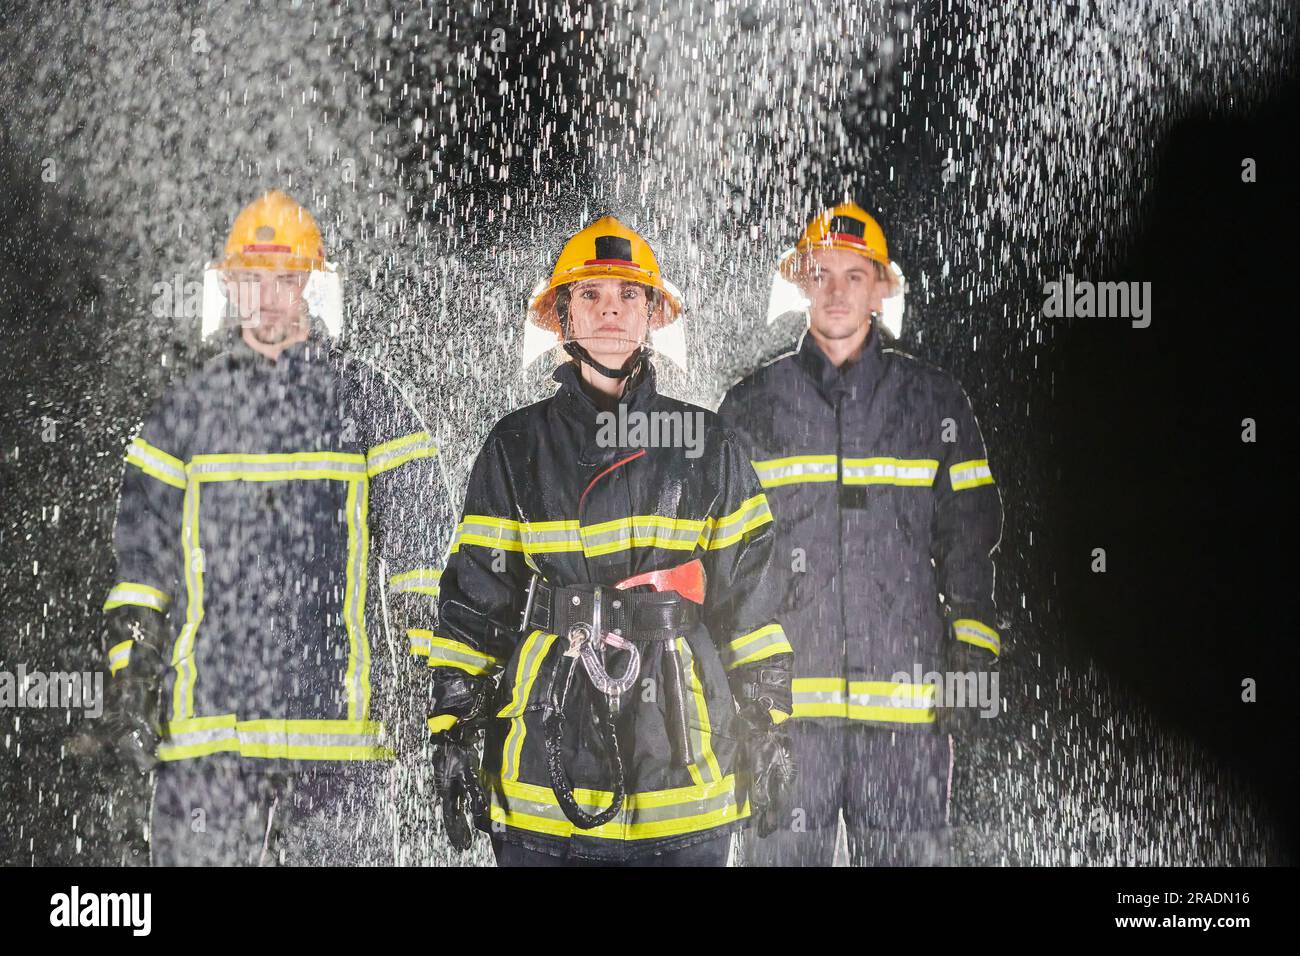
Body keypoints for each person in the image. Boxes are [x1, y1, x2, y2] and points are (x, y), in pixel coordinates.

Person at [79, 190, 453, 865]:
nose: (269, 298)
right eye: (253, 280)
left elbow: (422, 562)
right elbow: (140, 572)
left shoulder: (370, 403)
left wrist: (431, 680)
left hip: (337, 744)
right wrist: (126, 685)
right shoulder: (183, 415)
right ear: (228, 285)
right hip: (208, 742)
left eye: (285, 280)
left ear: (313, 285)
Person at [424, 215, 798, 866]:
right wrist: (454, 729)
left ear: (652, 314)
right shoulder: (516, 445)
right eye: (590, 295)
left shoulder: (706, 444)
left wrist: (765, 722)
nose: (610, 312)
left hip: (681, 738)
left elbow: (752, 600)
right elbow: (476, 601)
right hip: (549, 738)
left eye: (628, 296)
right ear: (563, 316)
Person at [719, 201, 1003, 866]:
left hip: (905, 722)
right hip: (782, 723)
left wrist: (974, 651)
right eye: (820, 274)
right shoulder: (750, 407)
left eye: (855, 274)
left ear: (883, 287)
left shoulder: (935, 403)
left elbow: (970, 538)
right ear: (799, 284)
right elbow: (726, 558)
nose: (837, 290)